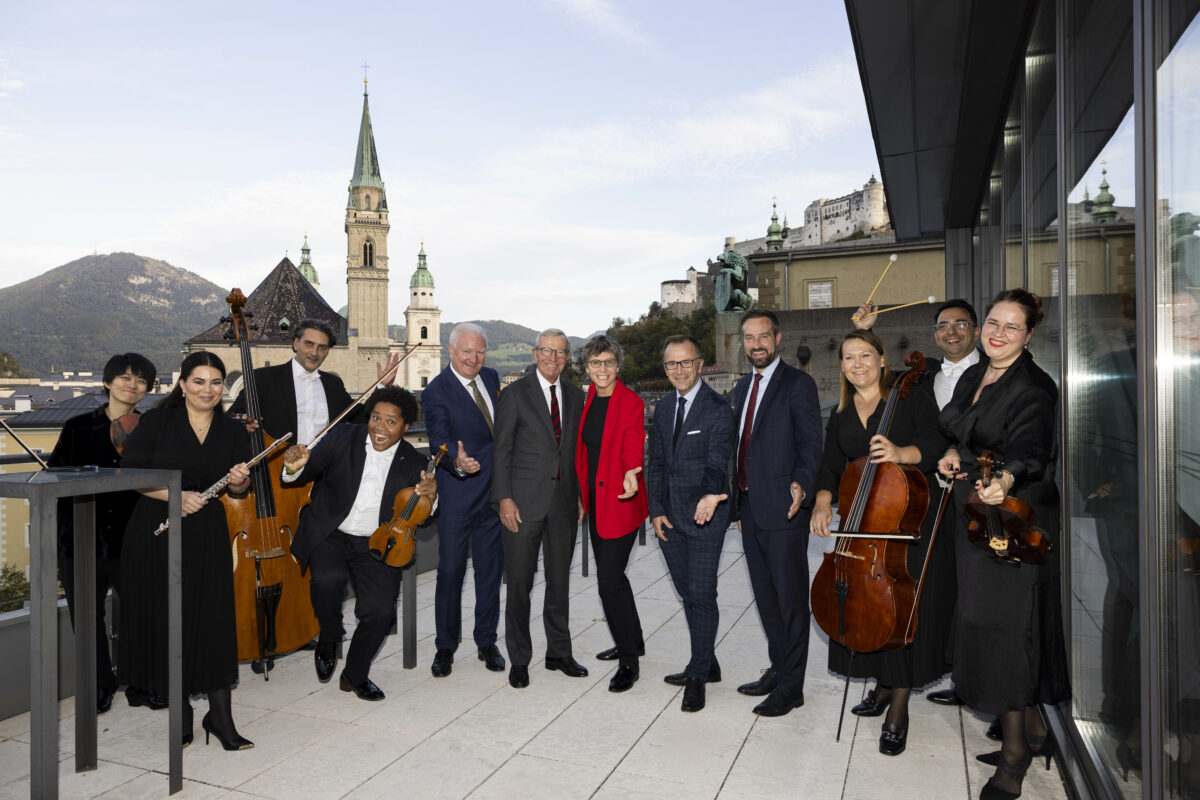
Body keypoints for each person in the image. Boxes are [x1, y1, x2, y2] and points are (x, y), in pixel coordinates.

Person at [937, 289, 1069, 799]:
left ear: (1029, 335)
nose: (997, 333)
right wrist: (952, 452)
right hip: (974, 511)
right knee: (988, 619)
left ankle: (1013, 758)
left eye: (1011, 327)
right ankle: (1032, 730)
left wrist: (1006, 480)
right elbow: (962, 431)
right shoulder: (976, 373)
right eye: (993, 321)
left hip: (1014, 518)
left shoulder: (1035, 386)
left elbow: (1031, 451)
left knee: (1008, 628)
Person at [810, 331, 951, 756]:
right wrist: (820, 502)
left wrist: (901, 453)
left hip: (910, 519)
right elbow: (830, 466)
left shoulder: (910, 398)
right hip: (861, 528)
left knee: (901, 610)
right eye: (849, 358)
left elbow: (938, 443)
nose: (857, 364)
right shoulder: (840, 415)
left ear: (883, 359)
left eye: (865, 356)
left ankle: (899, 705)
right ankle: (883, 683)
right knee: (864, 606)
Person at [118, 351, 254, 750]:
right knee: (168, 618)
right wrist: (173, 497)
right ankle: (182, 712)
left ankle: (221, 717)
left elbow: (236, 489)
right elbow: (131, 475)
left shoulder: (232, 430)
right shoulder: (158, 421)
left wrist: (240, 480)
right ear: (182, 384)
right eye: (199, 381)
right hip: (156, 527)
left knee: (212, 619)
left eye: (215, 383)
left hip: (206, 530)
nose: (207, 390)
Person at [854, 299, 980, 709]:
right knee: (919, 592)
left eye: (961, 324)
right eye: (944, 326)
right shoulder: (923, 373)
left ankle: (995, 695)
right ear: (934, 334)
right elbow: (872, 366)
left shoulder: (992, 372)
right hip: (926, 497)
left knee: (976, 595)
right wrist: (868, 329)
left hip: (979, 495)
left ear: (976, 331)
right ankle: (893, 682)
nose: (952, 332)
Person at [280, 387, 436, 700]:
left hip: (379, 543)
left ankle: (355, 675)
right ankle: (330, 634)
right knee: (326, 580)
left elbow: (424, 516)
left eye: (391, 422)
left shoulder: (415, 460)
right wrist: (294, 464)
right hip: (331, 532)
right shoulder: (342, 437)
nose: (380, 427)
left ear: (405, 427)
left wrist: (432, 498)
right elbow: (303, 470)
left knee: (379, 612)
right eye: (376, 418)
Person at [48, 352, 158, 714]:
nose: (132, 384)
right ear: (108, 382)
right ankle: (99, 685)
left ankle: (142, 683)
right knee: (88, 618)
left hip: (134, 539)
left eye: (140, 380)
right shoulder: (78, 426)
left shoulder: (153, 429)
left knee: (143, 613)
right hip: (80, 539)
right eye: (124, 377)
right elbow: (55, 476)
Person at [731, 309, 822, 717]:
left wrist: (802, 485)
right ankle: (779, 668)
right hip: (749, 509)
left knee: (789, 600)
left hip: (785, 509)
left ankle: (792, 686)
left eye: (763, 336)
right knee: (765, 598)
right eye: (749, 338)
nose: (756, 344)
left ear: (778, 338)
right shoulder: (739, 389)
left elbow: (811, 444)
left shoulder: (798, 384)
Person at [491, 329, 588, 689]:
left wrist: (579, 495)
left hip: (563, 504)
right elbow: (500, 450)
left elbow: (576, 453)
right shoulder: (515, 394)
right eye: (547, 351)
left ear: (567, 358)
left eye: (560, 352)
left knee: (559, 584)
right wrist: (504, 498)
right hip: (521, 505)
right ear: (535, 353)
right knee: (519, 585)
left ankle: (559, 653)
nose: (553, 358)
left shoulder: (576, 396)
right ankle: (519, 659)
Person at [646, 335, 734, 712]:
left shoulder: (718, 409)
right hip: (669, 519)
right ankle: (707, 661)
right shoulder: (664, 407)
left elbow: (717, 463)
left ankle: (697, 675)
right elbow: (657, 463)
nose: (679, 371)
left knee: (701, 594)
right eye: (671, 364)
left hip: (703, 517)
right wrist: (655, 510)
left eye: (686, 363)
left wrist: (710, 497)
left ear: (700, 364)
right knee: (687, 592)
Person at [422, 323, 505, 677]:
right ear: (450, 351)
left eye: (480, 351)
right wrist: (456, 462)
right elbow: (439, 439)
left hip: (493, 493)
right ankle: (445, 646)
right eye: (467, 351)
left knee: (490, 572)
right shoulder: (436, 390)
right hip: (457, 493)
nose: (474, 358)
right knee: (451, 572)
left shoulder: (491, 377)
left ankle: (487, 641)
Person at [575, 335, 649, 693]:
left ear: (618, 366)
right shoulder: (588, 398)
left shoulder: (631, 402)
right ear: (586, 368)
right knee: (616, 578)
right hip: (594, 501)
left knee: (608, 583)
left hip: (621, 499)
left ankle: (629, 663)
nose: (601, 369)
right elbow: (583, 452)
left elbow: (634, 440)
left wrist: (633, 470)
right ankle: (633, 640)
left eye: (608, 362)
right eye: (595, 363)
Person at [229, 317, 399, 442]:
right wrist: (242, 424)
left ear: (327, 351)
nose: (314, 353)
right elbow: (231, 418)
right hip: (275, 471)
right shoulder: (263, 378)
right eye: (309, 344)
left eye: (322, 347)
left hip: (322, 475)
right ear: (296, 344)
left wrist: (382, 386)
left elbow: (359, 419)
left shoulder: (333, 384)